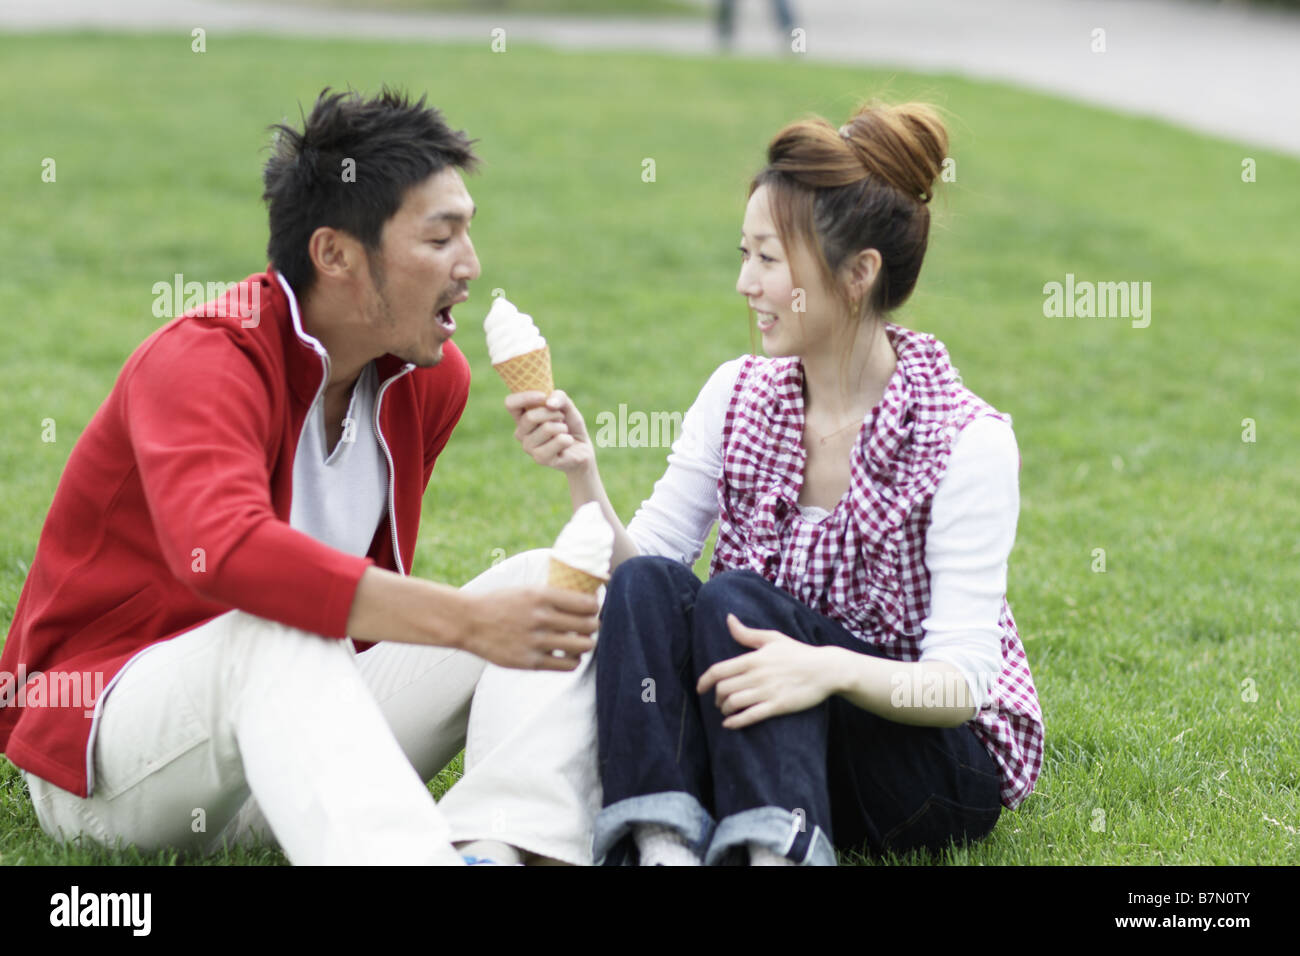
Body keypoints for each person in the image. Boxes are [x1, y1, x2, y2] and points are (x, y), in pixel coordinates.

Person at [0, 87, 603, 866]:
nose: (470, 265)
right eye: (440, 237)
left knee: (543, 583)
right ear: (336, 254)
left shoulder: (431, 380)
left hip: (293, 758)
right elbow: (225, 555)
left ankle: (498, 847)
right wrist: (461, 622)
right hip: (112, 770)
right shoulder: (201, 362)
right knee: (270, 624)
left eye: (468, 234)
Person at [507, 100, 1044, 865]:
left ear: (858, 274)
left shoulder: (965, 440)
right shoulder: (736, 393)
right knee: (656, 587)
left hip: (923, 763)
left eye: (767, 258)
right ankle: (659, 843)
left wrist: (823, 669)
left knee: (735, 600)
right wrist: (580, 474)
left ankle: (774, 850)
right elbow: (641, 585)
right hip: (770, 728)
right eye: (744, 253)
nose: (744, 283)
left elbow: (958, 684)